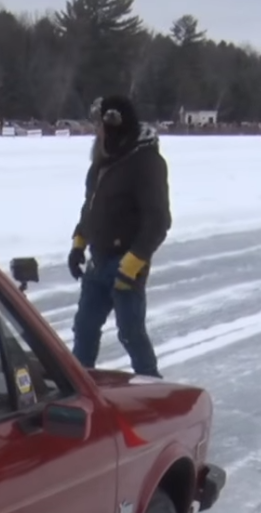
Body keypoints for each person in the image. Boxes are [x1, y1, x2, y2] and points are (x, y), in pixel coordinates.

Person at [67, 95, 172, 377]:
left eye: (99, 125)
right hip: (98, 261)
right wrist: (79, 243)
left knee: (130, 333)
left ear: (114, 124)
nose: (95, 131)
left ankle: (151, 384)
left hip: (126, 263)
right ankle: (80, 384)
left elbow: (158, 220)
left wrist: (133, 263)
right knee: (85, 327)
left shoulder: (146, 162)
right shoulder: (102, 161)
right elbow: (90, 207)